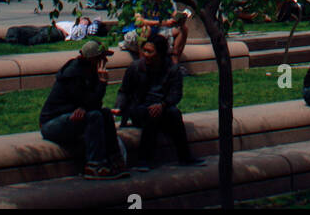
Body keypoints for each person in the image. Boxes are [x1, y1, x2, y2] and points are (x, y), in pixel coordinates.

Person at [39, 40, 127, 179]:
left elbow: (93, 105)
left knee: (104, 114)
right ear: (92, 59)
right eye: (101, 58)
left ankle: (115, 159)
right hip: (52, 124)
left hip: (74, 118)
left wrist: (85, 107)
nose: (104, 61)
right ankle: (95, 165)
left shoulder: (90, 72)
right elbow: (89, 101)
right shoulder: (73, 73)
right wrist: (102, 83)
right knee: (94, 116)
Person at [113, 34, 199, 171]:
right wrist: (119, 107)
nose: (145, 54)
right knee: (151, 114)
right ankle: (143, 160)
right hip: (139, 109)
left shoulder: (172, 69)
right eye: (144, 51)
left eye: (150, 51)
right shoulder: (135, 68)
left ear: (160, 54)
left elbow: (176, 94)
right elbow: (124, 91)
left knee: (175, 113)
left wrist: (163, 104)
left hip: (162, 106)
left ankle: (185, 156)